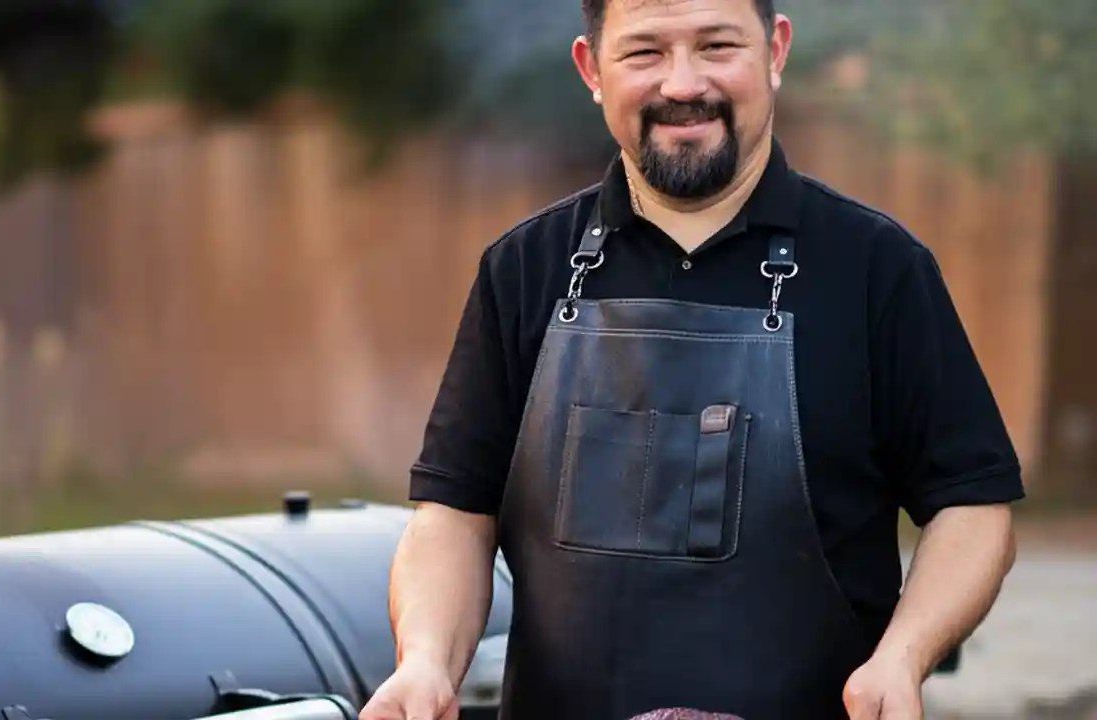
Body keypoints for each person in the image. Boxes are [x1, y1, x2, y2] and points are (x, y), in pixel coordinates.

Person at [360, 1, 1024, 718]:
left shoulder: (877, 269)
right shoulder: (524, 270)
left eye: (716, 46)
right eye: (645, 53)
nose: (682, 84)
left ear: (775, 51)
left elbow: (971, 507)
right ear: (591, 68)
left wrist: (904, 656)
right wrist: (426, 660)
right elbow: (453, 517)